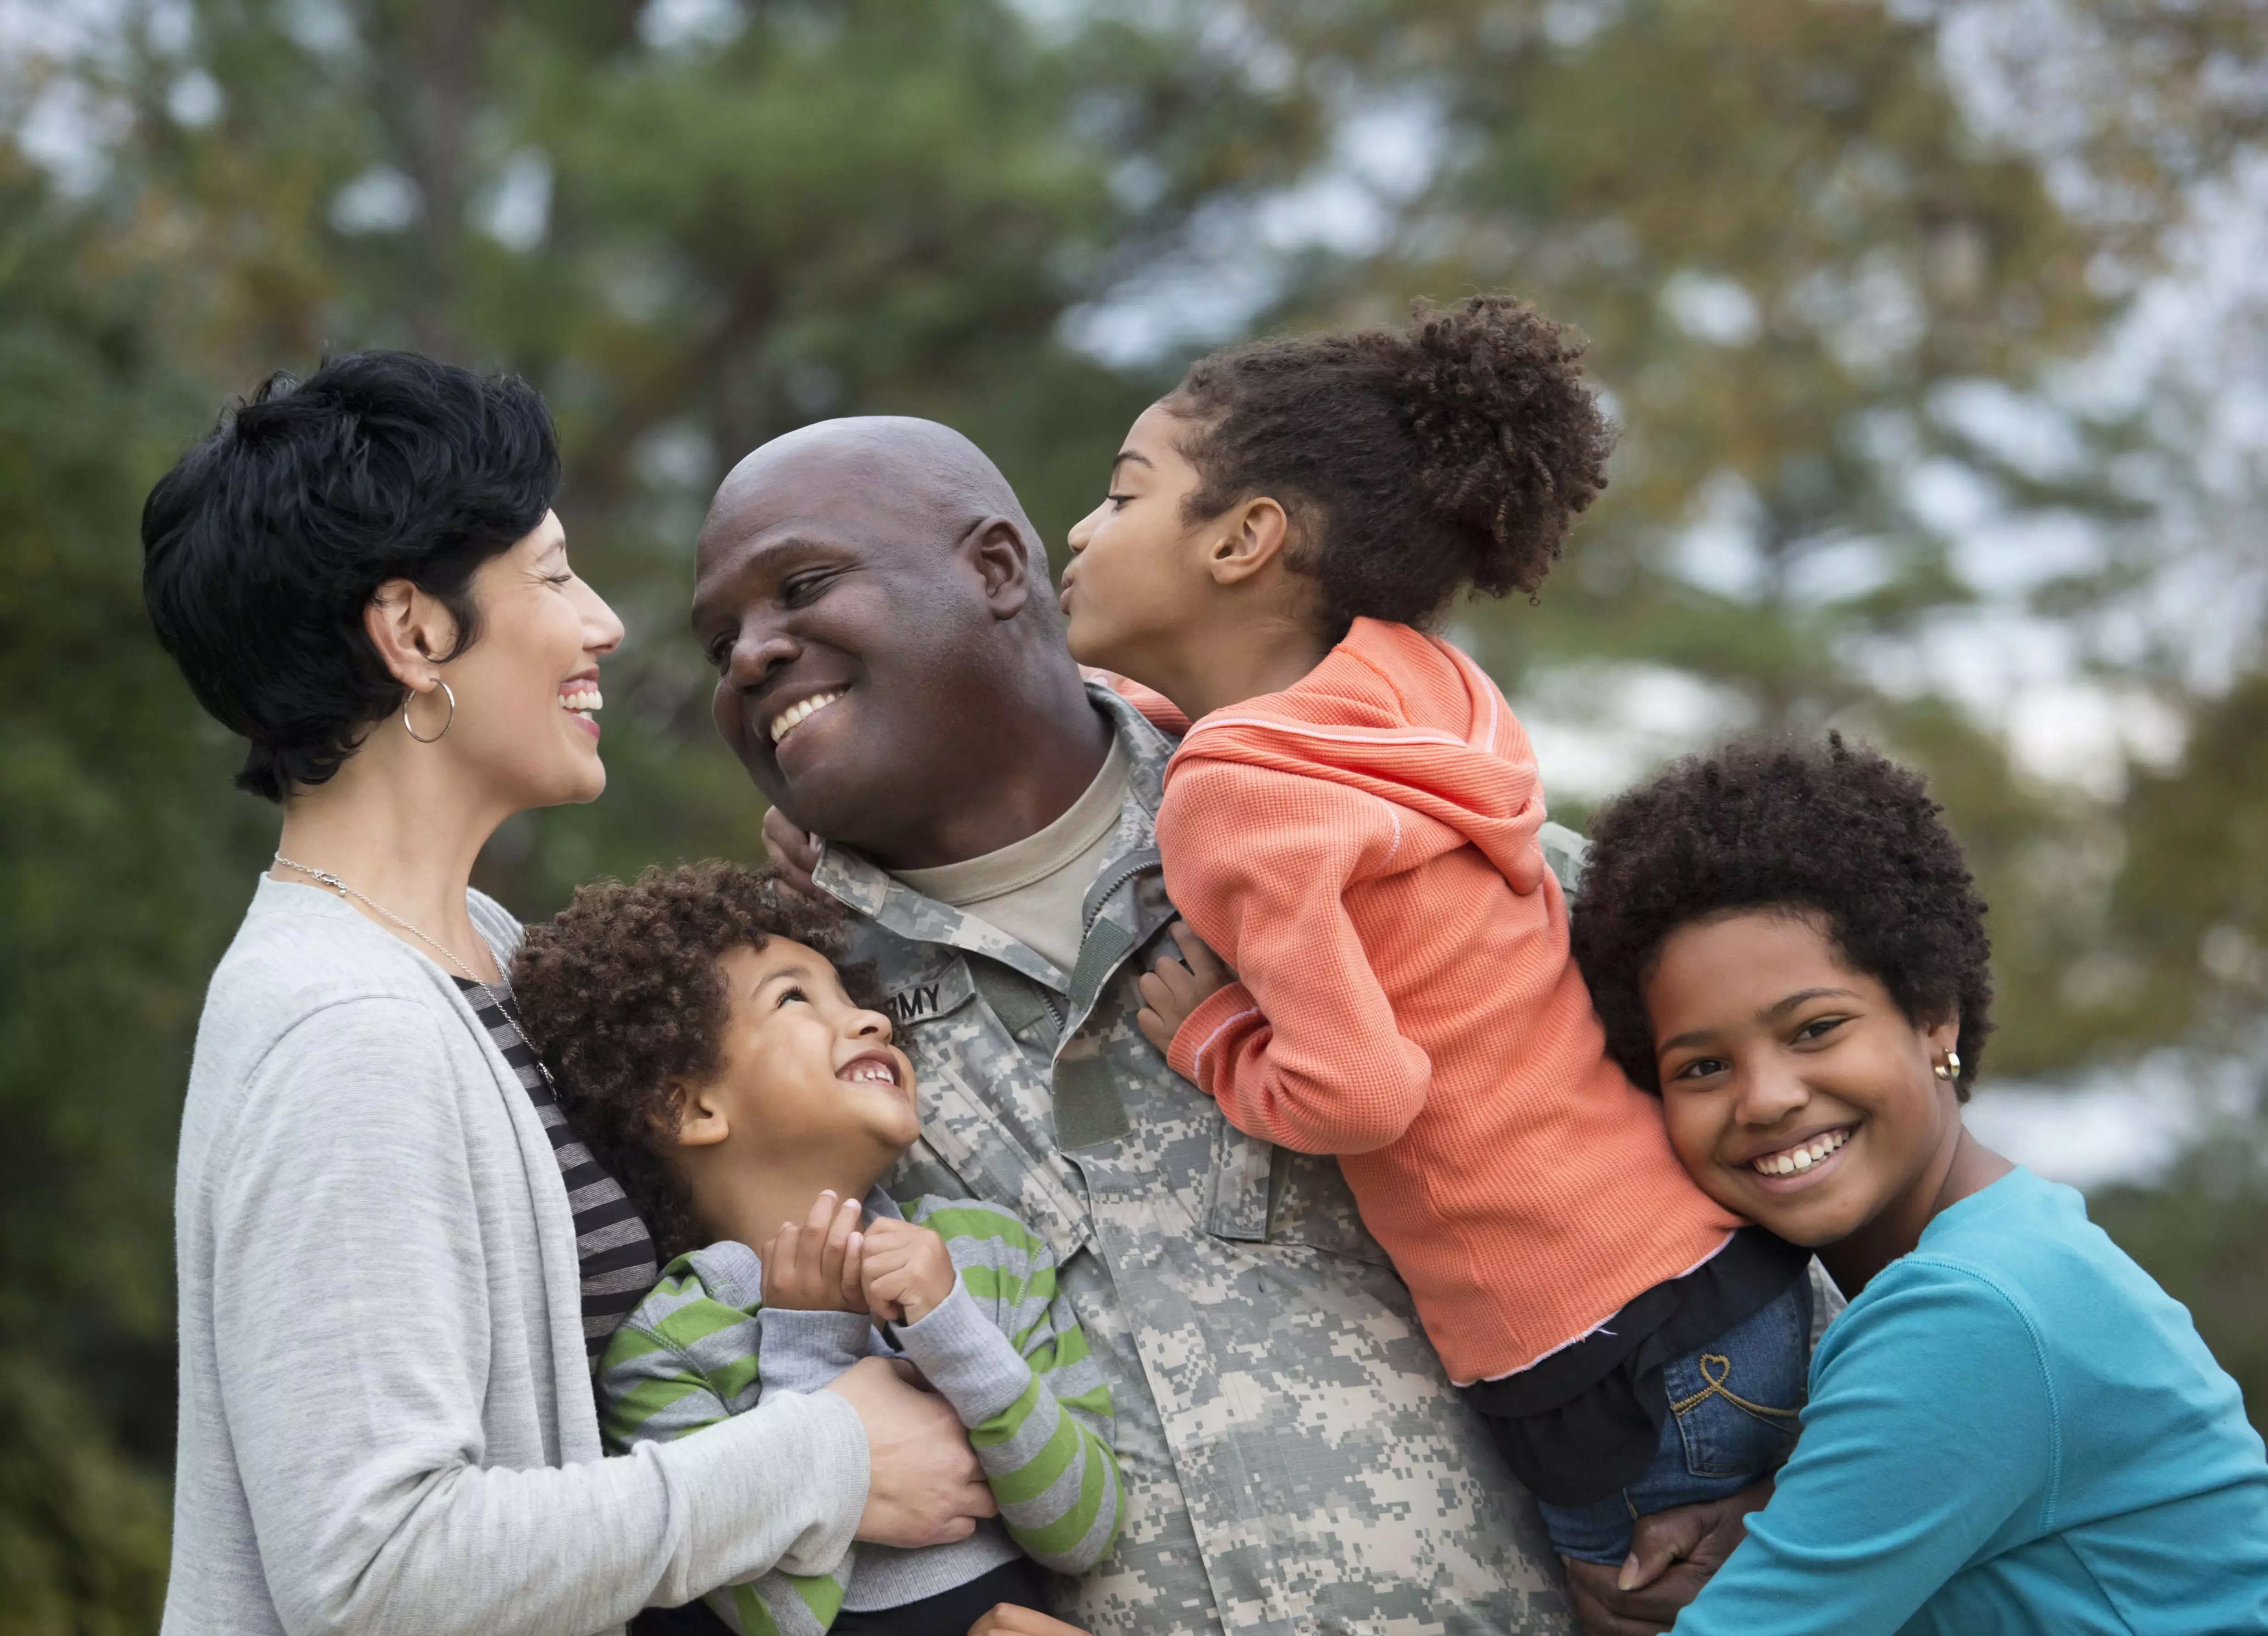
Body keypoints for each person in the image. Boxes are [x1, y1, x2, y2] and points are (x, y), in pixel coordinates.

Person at [145, 352, 993, 1636]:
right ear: (415, 632)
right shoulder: (346, 1032)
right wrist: (824, 1458)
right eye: (550, 576)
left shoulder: (477, 948)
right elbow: (376, 1569)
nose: (601, 622)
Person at [700, 416, 1575, 1633]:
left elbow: (1695, 1206)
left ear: (997, 571)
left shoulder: (1363, 832)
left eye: (800, 586)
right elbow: (718, 1403)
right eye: (717, 640)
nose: (746, 656)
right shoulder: (778, 1027)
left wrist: (1726, 1500)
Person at [1055, 294, 1813, 1571]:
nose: (1074, 529)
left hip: (1589, 1361)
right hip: (1730, 1291)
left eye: (1121, 497)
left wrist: (1209, 1039)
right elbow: (1257, 738)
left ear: (1245, 538)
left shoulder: (1234, 799)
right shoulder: (1413, 692)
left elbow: (1359, 1089)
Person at [1561, 734, 2268, 1634]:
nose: (1767, 1099)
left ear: (1936, 1017)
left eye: (1815, 1029)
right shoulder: (2016, 1242)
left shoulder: (1974, 1309)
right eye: (1701, 1068)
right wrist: (1777, 1513)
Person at [509, 861, 1123, 1636]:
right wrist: (809, 1349)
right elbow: (778, 1618)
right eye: (795, 997)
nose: (874, 1022)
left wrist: (957, 1331)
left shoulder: (989, 1252)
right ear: (690, 1106)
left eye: (855, 998)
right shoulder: (667, 1346)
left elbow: (1084, 1530)